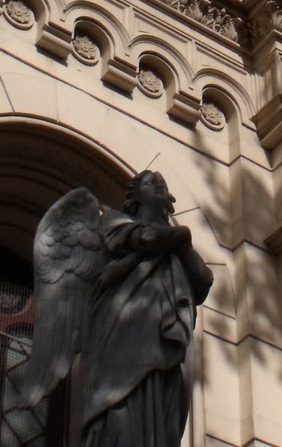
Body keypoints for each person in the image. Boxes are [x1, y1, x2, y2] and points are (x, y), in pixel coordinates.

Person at [27, 171, 214, 446]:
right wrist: (181, 235)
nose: (160, 186)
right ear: (135, 194)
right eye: (151, 183)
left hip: (164, 347)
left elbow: (204, 278)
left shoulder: (175, 245)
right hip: (122, 336)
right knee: (118, 413)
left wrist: (179, 238)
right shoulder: (115, 221)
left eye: (163, 184)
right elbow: (148, 239)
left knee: (160, 423)